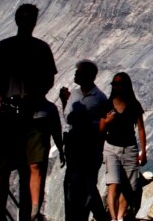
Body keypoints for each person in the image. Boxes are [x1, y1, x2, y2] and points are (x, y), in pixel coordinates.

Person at [0, 3, 58, 221]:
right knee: (30, 166)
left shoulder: (4, 48)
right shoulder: (39, 48)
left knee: (13, 166)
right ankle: (28, 212)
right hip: (28, 115)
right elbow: (49, 80)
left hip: (15, 115)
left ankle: (11, 213)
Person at [60, 60, 110, 221]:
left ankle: (88, 216)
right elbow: (68, 118)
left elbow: (103, 125)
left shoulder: (100, 98)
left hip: (89, 148)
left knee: (86, 185)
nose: (75, 75)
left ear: (88, 76)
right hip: (73, 146)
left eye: (78, 72)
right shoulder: (74, 95)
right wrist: (64, 101)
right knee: (72, 183)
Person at [99, 73, 146, 221]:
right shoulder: (107, 105)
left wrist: (143, 151)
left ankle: (120, 217)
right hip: (111, 147)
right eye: (114, 84)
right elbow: (100, 128)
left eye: (119, 84)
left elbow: (141, 128)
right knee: (113, 184)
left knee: (130, 187)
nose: (116, 87)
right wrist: (107, 120)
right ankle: (113, 218)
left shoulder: (134, 105)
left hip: (130, 149)